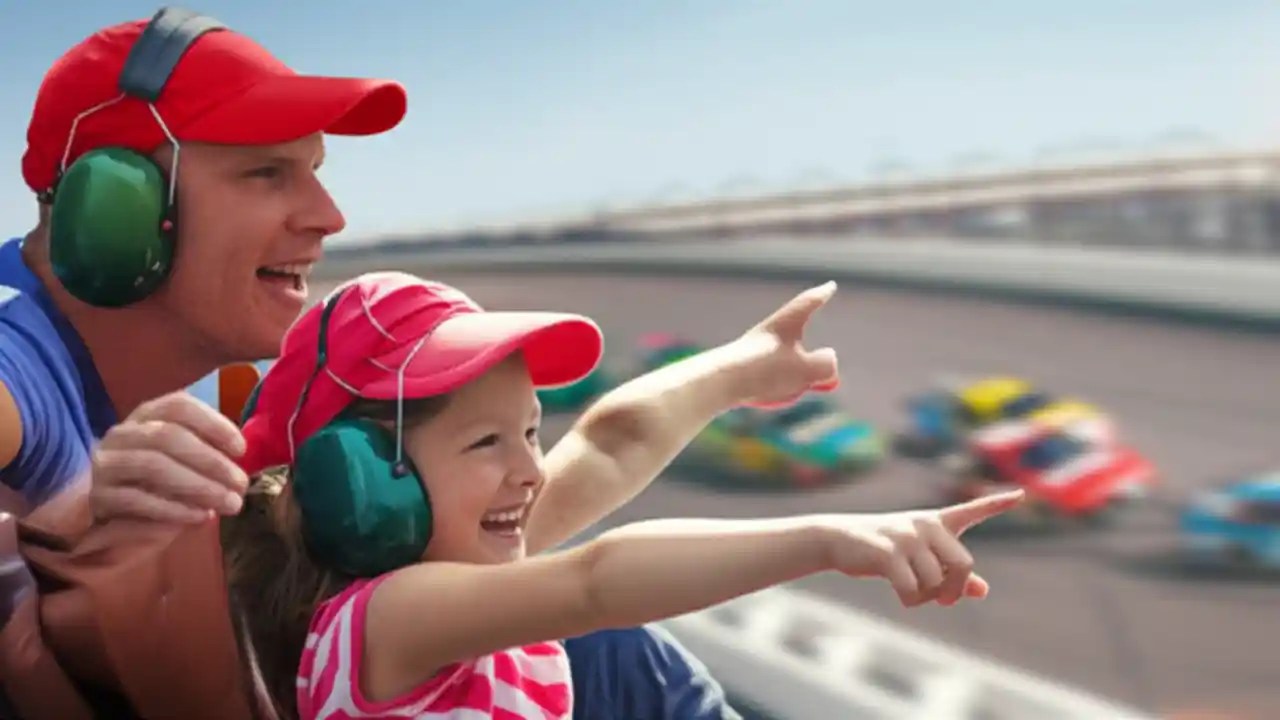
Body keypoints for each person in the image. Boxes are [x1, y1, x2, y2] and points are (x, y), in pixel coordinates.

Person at [0, 7, 815, 718]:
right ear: (117, 209)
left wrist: (738, 370)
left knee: (610, 649)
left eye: (314, 173)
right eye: (266, 173)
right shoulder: (19, 360)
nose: (328, 216)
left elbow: (582, 475)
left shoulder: (240, 388)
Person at [219, 271, 1022, 720]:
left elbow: (610, 445)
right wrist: (823, 540)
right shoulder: (375, 624)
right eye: (485, 442)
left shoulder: (459, 548)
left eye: (529, 432)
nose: (530, 470)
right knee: (620, 647)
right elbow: (594, 581)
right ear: (359, 479)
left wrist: (741, 366)